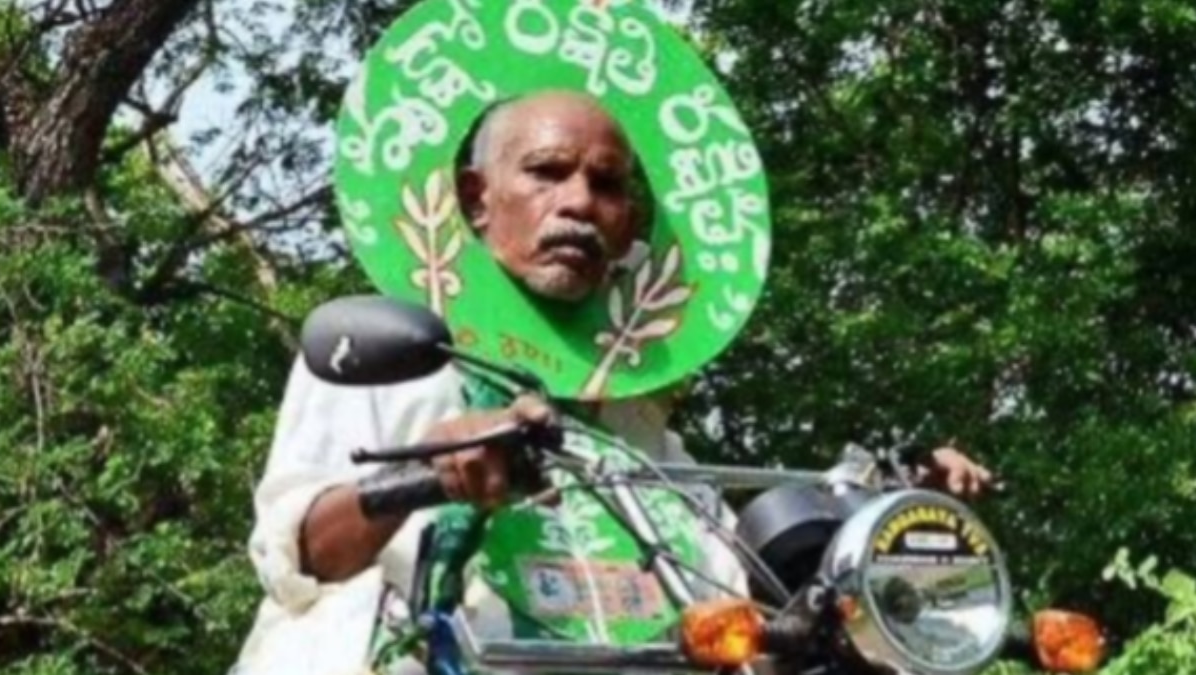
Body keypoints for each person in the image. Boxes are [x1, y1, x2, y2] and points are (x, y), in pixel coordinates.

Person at [234, 90, 993, 675]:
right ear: (475, 199)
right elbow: (295, 553)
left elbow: (731, 599)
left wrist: (892, 518)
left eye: (606, 185)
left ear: (629, 226)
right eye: (545, 172)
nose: (577, 204)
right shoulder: (389, 355)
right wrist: (424, 471)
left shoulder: (642, 423)